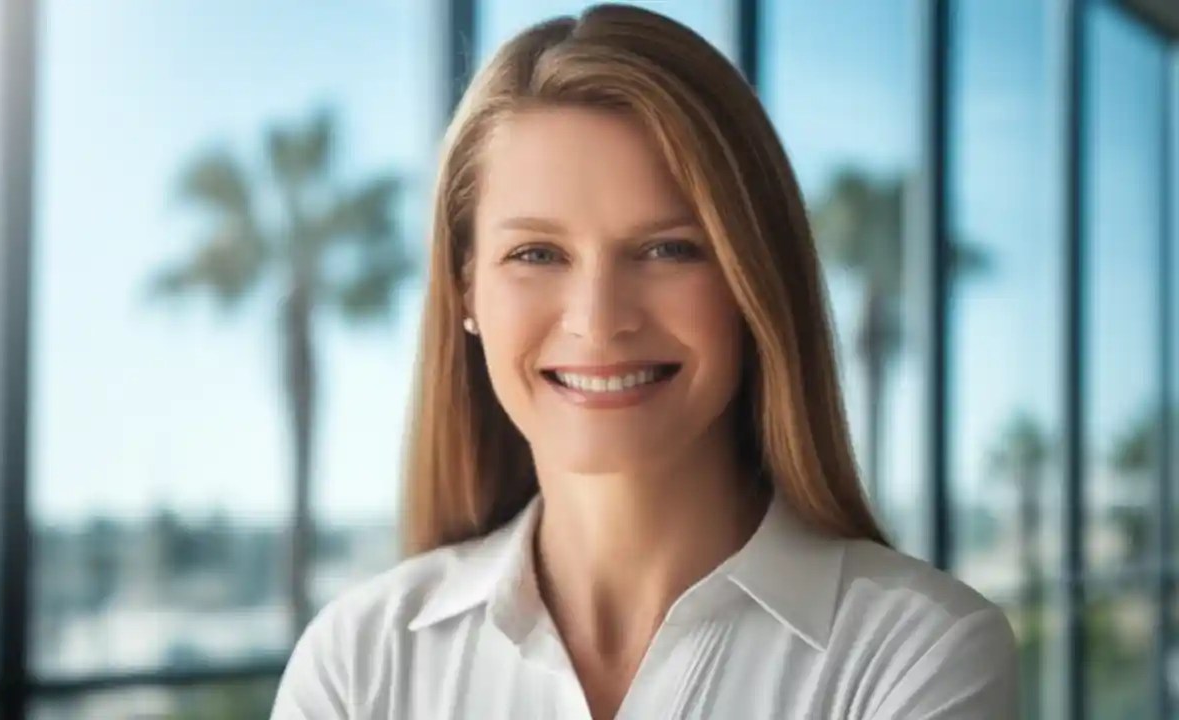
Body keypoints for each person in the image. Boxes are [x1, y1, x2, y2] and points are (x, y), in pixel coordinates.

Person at [270, 4, 1017, 719]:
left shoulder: (917, 653)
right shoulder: (357, 662)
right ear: (466, 289)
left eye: (668, 250)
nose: (598, 321)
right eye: (536, 253)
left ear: (752, 277)